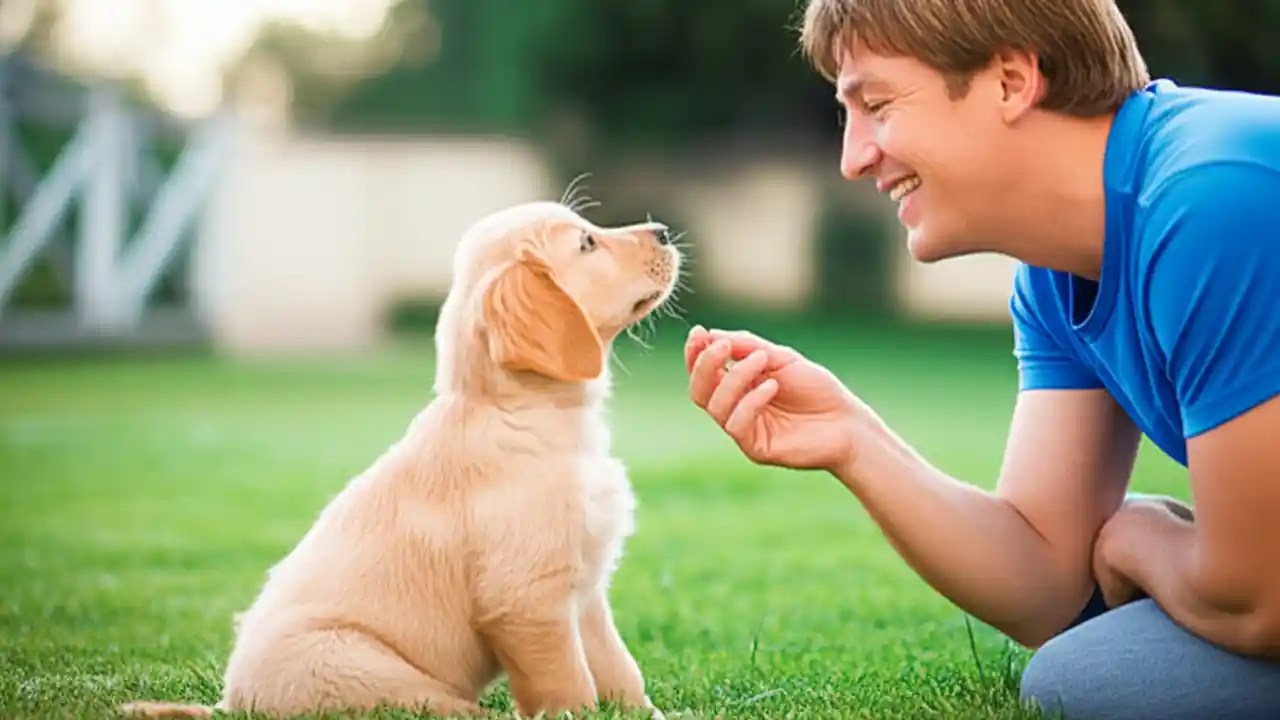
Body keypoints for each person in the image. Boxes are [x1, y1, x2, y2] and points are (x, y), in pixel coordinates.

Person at [683, 1, 1280, 717]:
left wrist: (1138, 539)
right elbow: (1048, 581)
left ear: (1009, 81)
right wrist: (853, 439)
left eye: (876, 104)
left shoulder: (1211, 196)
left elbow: (1258, 603)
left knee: (1107, 679)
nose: (852, 158)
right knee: (1088, 672)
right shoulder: (1056, 270)